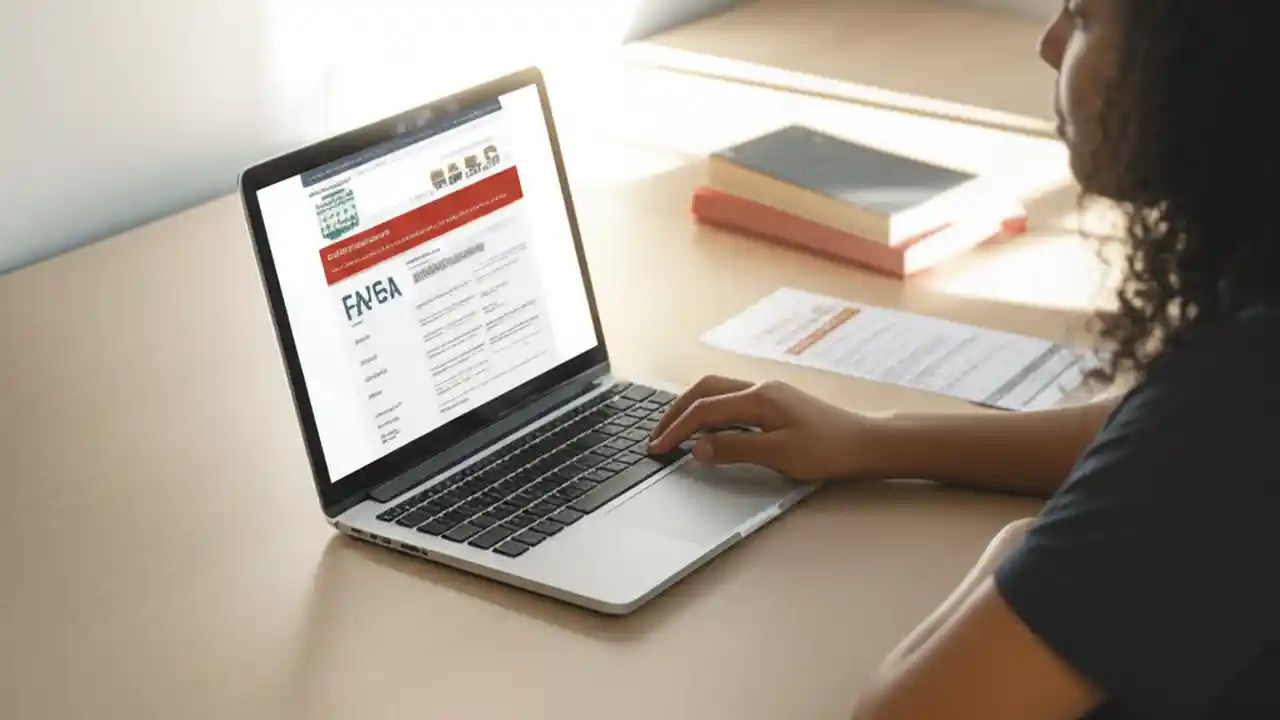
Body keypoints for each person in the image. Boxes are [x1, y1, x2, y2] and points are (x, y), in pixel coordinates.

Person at [648, 1, 1279, 717]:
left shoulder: (1242, 398)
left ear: (1212, 66)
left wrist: (1022, 552)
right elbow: (1142, 430)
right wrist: (874, 437)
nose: (1047, 45)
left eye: (1084, 17)